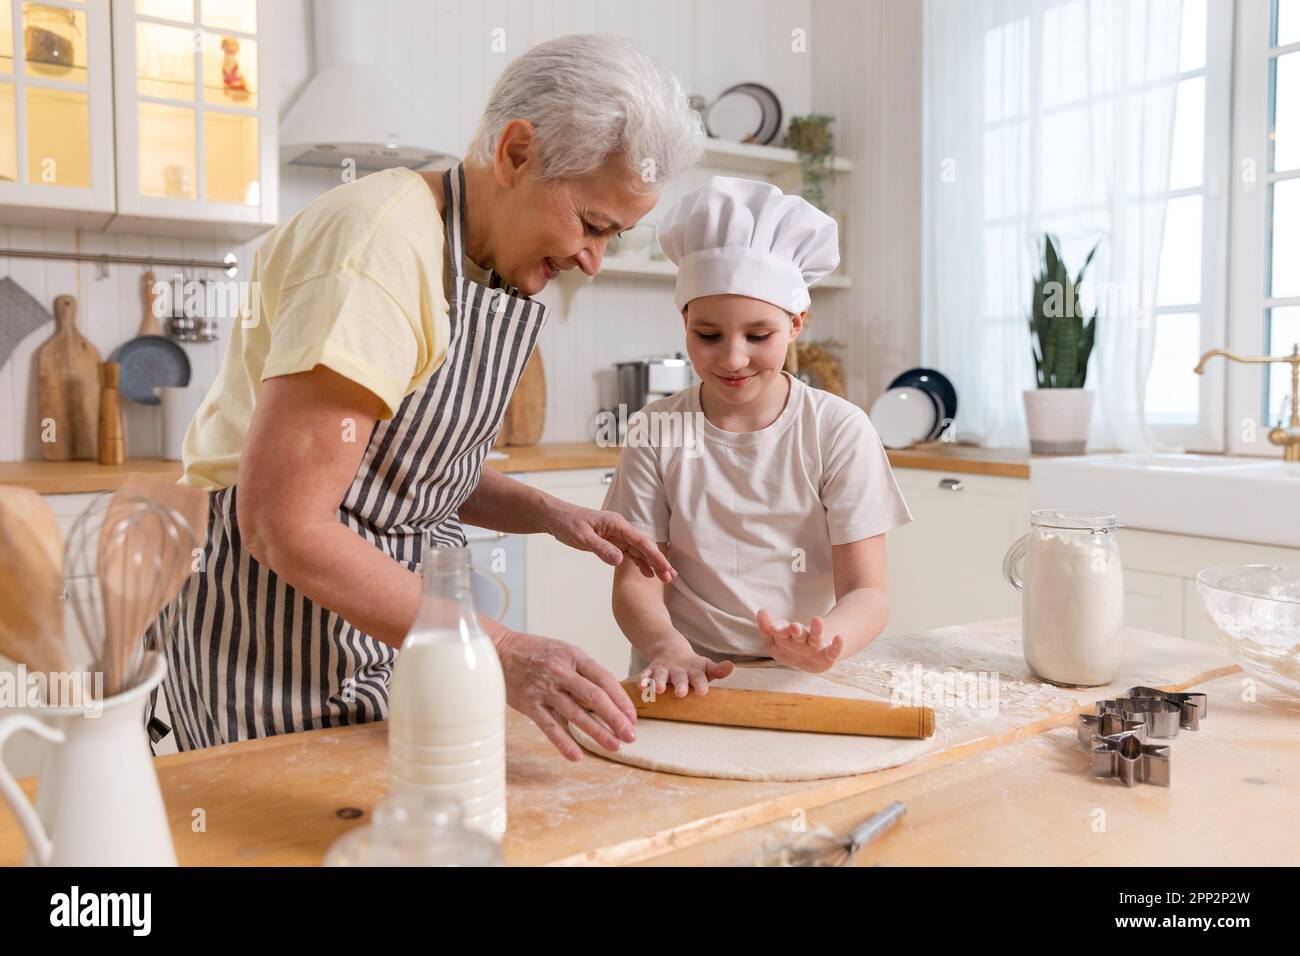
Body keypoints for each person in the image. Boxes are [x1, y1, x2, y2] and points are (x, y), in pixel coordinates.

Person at [152, 35, 704, 759]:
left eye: (615, 237)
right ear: (515, 154)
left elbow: (400, 468)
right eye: (593, 225)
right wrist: (499, 648)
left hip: (393, 632)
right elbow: (282, 524)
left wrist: (551, 514)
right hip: (278, 644)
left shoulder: (475, 264)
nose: (592, 262)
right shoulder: (378, 248)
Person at [603, 176, 913, 698]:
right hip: (679, 674)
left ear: (796, 324)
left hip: (797, 677)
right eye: (708, 335)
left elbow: (867, 592)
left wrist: (823, 642)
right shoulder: (655, 431)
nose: (732, 358)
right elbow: (636, 582)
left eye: (758, 335)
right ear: (684, 320)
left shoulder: (837, 430)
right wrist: (666, 646)